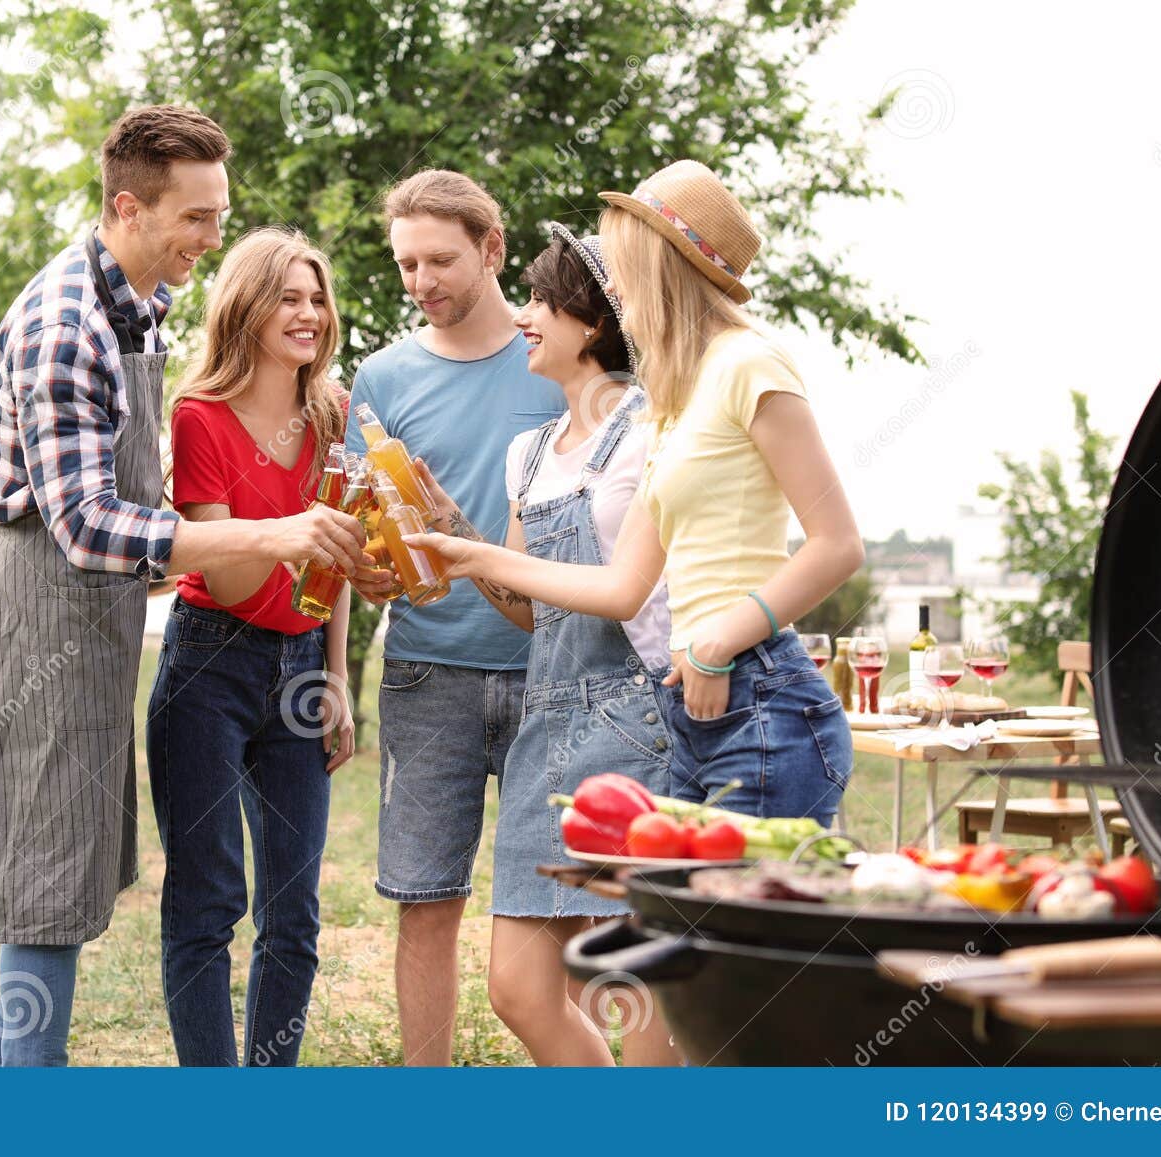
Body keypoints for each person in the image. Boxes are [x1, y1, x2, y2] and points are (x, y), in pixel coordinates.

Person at [0, 107, 364, 1068]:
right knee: (47, 880)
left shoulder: (137, 305)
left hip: (93, 612)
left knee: (72, 873)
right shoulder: (66, 327)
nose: (213, 239)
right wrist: (274, 532)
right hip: (43, 598)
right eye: (195, 219)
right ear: (128, 208)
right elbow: (88, 524)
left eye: (220, 215)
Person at [411, 160, 863, 825]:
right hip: (690, 708)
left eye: (622, 263)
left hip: (762, 699)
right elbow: (621, 587)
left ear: (659, 265)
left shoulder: (749, 362)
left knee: (738, 898)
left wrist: (715, 642)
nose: (613, 284)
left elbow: (837, 544)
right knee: (670, 893)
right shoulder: (676, 399)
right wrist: (472, 554)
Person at [414, 225, 678, 1065]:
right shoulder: (526, 456)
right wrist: (453, 531)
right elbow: (531, 609)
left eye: (539, 300)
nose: (523, 317)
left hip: (637, 724)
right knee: (520, 987)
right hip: (548, 725)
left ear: (592, 321)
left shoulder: (653, 432)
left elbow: (623, 590)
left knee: (635, 987)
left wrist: (479, 555)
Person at [342, 170, 564, 1065]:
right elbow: (370, 523)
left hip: (554, 673)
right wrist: (369, 568)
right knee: (425, 903)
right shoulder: (383, 376)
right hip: (427, 674)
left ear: (492, 249)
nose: (420, 281)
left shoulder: (556, 359)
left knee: (567, 907)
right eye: (406, 264)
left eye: (439, 259)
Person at [145, 227, 355, 1066]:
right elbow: (229, 580)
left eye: (317, 298)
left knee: (293, 912)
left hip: (302, 663)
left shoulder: (334, 415)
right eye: (288, 298)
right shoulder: (199, 416)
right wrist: (290, 532)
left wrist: (336, 675)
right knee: (207, 903)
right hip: (210, 665)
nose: (309, 314)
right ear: (248, 308)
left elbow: (338, 558)